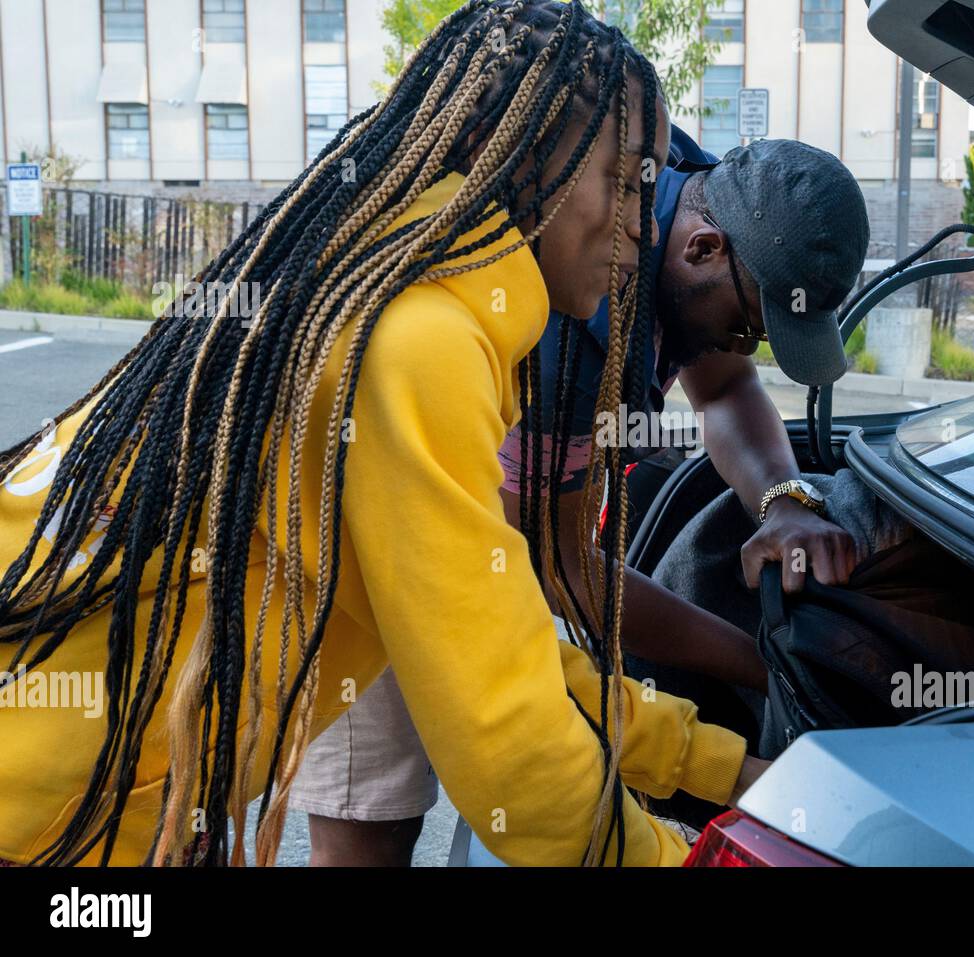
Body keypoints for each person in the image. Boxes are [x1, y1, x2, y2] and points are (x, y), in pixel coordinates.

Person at [0, 0, 768, 868]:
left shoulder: (403, 294)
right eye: (624, 183)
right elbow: (513, 753)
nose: (639, 223)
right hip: (46, 827)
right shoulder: (420, 343)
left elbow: (511, 652)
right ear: (512, 157)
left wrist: (729, 770)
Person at [290, 124, 872, 862]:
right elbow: (558, 573)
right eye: (743, 324)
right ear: (701, 249)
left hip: (482, 528)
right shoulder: (572, 330)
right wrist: (762, 661)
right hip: (358, 535)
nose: (741, 346)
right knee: (375, 821)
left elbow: (727, 393)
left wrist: (784, 500)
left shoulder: (689, 177)